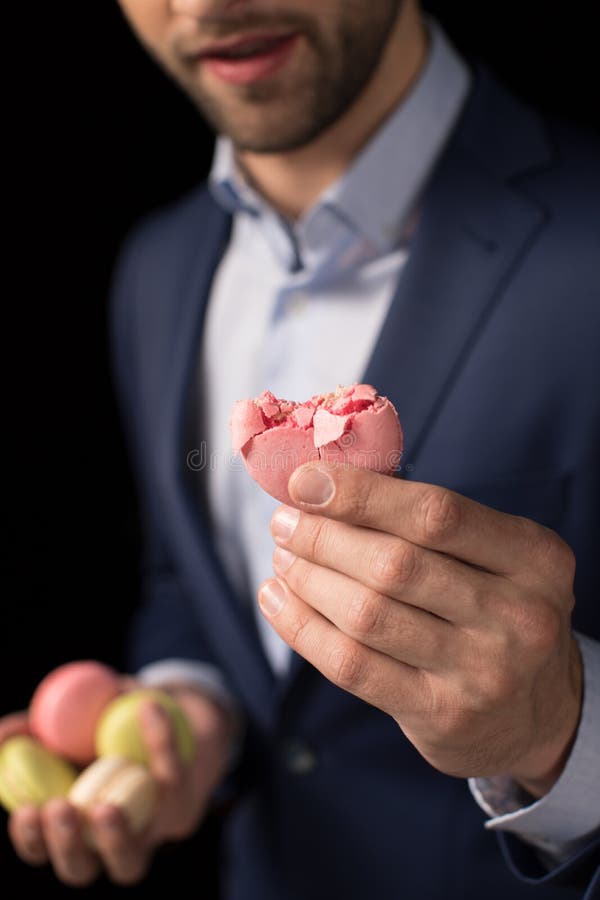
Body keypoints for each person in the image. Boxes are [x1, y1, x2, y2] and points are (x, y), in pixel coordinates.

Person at [1, 0, 599, 896]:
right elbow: (189, 582)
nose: (205, 5)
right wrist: (192, 715)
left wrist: (563, 731)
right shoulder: (157, 266)